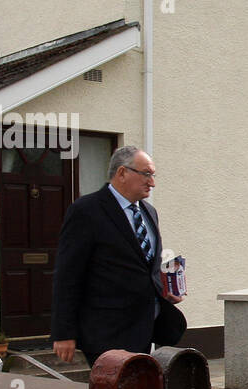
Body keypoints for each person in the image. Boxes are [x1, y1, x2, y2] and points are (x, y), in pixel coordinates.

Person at [51, 145, 186, 366]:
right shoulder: (87, 211)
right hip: (106, 332)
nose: (152, 182)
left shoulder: (149, 213)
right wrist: (63, 332)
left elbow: (143, 267)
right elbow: (67, 275)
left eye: (153, 175)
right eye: (146, 174)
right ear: (122, 173)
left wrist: (164, 291)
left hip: (145, 328)